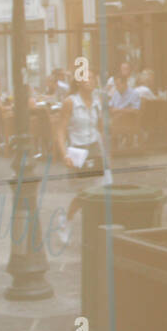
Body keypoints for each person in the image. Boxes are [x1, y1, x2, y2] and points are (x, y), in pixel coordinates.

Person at [53, 71, 107, 246]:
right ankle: (66, 222)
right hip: (78, 151)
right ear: (77, 82)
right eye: (85, 78)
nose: (89, 81)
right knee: (83, 194)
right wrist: (64, 154)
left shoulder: (97, 101)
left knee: (100, 190)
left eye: (92, 77)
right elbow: (60, 130)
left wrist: (107, 152)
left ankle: (95, 230)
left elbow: (101, 128)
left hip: (95, 149)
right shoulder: (71, 102)